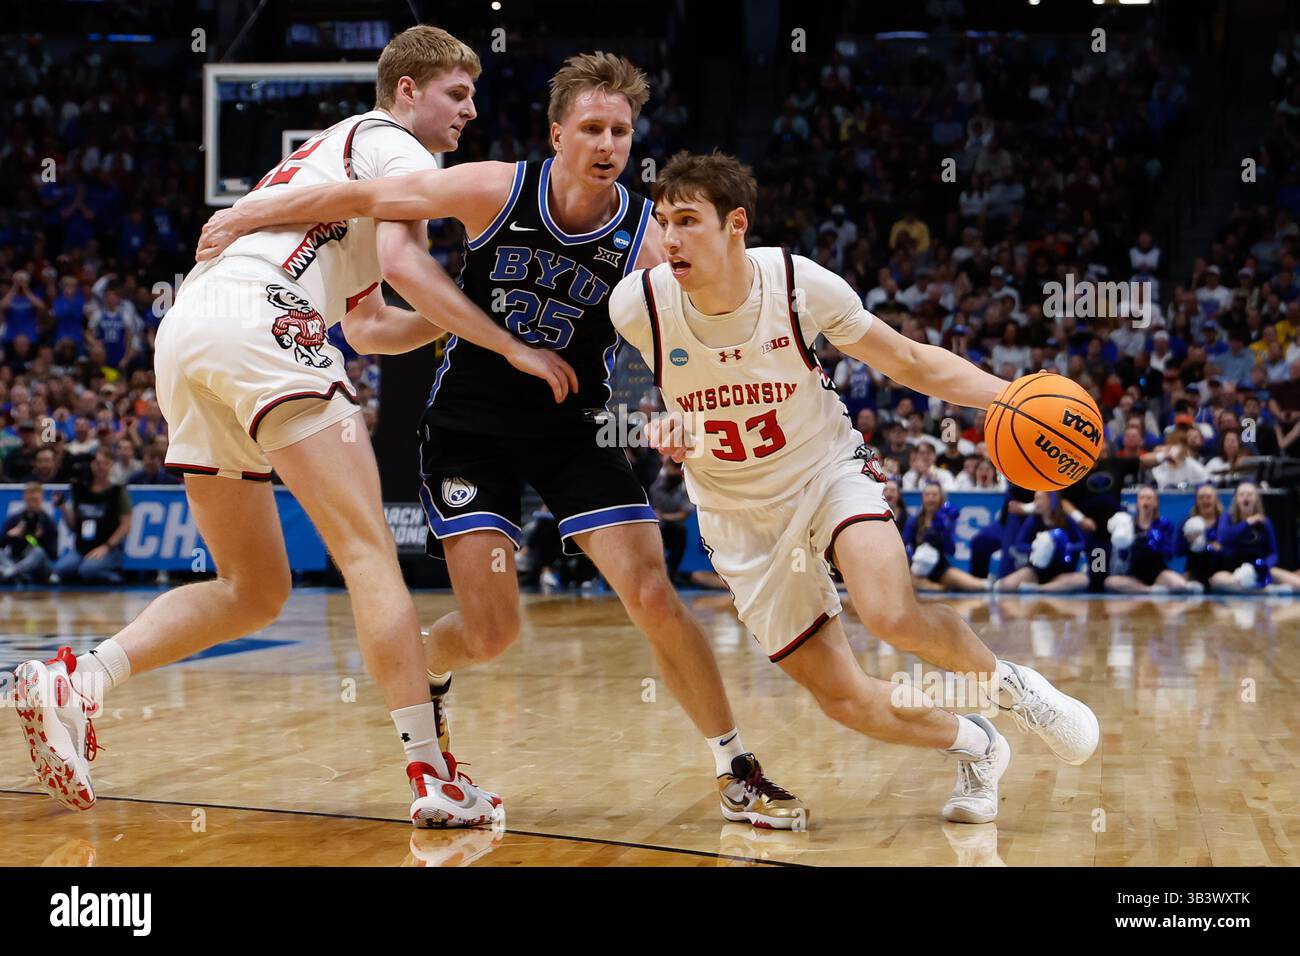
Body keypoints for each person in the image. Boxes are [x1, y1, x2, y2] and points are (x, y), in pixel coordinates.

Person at [196, 54, 803, 828]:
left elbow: (686, 332)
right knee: (493, 629)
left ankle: (735, 765)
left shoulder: (644, 237)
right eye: (591, 128)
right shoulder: (496, 188)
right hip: (469, 429)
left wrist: (678, 405)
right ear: (558, 134)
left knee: (652, 592)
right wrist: (250, 213)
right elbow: (368, 193)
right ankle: (428, 671)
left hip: (571, 430)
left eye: (621, 130)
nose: (608, 143)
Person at [15, 26, 576, 826]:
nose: (471, 110)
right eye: (458, 92)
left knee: (255, 589)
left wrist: (463, 318)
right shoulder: (399, 148)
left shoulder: (335, 152)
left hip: (191, 327)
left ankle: (80, 678)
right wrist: (508, 341)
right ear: (408, 91)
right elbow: (415, 269)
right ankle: (431, 773)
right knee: (366, 550)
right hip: (266, 318)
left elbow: (376, 325)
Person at [608, 150, 1098, 825]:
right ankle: (977, 744)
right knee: (842, 699)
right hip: (735, 515)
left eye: (688, 220)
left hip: (825, 472)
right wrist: (661, 424)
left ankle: (1011, 687)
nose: (669, 238)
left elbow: (909, 360)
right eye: (662, 221)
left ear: (736, 224)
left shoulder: (799, 286)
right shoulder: (639, 305)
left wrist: (1007, 400)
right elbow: (647, 393)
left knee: (890, 612)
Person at [51, 446, 132, 584]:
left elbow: (126, 524)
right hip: (82, 547)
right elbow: (73, 525)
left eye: (105, 463)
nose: (100, 467)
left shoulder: (118, 491)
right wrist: (63, 507)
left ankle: (115, 576)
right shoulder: (80, 490)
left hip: (108, 548)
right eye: (97, 463)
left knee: (87, 570)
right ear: (92, 465)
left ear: (111, 466)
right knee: (61, 569)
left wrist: (107, 546)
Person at [1102, 486, 1201, 593]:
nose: (1145, 501)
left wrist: (1154, 543)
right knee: (1110, 582)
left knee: (1179, 585)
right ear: (1138, 503)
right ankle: (1150, 590)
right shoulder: (1128, 524)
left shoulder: (1164, 524)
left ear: (1155, 503)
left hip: (1158, 571)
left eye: (1149, 498)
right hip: (1134, 573)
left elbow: (1169, 554)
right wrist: (1125, 545)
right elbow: (1122, 555)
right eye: (1142, 498)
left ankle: (1181, 585)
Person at [1207, 482, 1300, 593]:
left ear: (1256, 499)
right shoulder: (1227, 518)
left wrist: (1264, 566)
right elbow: (1223, 537)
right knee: (1217, 580)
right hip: (1232, 571)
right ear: (1236, 499)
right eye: (1242, 494)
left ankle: (1260, 586)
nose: (1246, 497)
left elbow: (1273, 553)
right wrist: (1247, 522)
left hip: (1259, 569)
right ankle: (1262, 590)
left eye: (1250, 494)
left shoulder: (1264, 522)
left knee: (1297, 584)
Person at [903, 482, 988, 592]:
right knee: (915, 583)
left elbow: (951, 551)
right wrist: (914, 561)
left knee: (974, 585)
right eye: (927, 495)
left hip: (940, 569)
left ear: (941, 498)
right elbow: (906, 545)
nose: (930, 499)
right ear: (922, 498)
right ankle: (937, 588)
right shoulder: (914, 521)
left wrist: (944, 531)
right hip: (917, 570)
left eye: (934, 495)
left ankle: (992, 585)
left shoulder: (946, 520)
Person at [996, 491, 1088, 592]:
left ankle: (1041, 588)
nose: (1035, 503)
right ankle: (1047, 587)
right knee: (1004, 585)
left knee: (1083, 580)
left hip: (1061, 572)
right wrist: (1036, 547)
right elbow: (1019, 544)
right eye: (1035, 499)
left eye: (1039, 499)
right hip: (1036, 571)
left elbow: (1082, 544)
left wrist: (1064, 548)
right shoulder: (1033, 520)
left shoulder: (1066, 519)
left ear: (1050, 500)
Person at [0, 482, 58, 584]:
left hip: (40, 566)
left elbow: (52, 554)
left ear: (41, 499)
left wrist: (36, 539)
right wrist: (10, 535)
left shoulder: (47, 522)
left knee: (38, 552)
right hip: (17, 560)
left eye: (35, 500)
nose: (32, 504)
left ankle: (11, 572)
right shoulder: (15, 519)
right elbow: (2, 544)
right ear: (24, 498)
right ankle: (18, 575)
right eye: (29, 500)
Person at [1178, 483, 1225, 587]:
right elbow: (1177, 550)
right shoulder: (1187, 523)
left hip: (1221, 572)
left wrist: (1219, 548)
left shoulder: (1225, 522)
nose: (1205, 501)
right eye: (1201, 498)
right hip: (1194, 571)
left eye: (1208, 497)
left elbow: (1232, 549)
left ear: (1216, 500)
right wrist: (1189, 542)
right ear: (1196, 501)